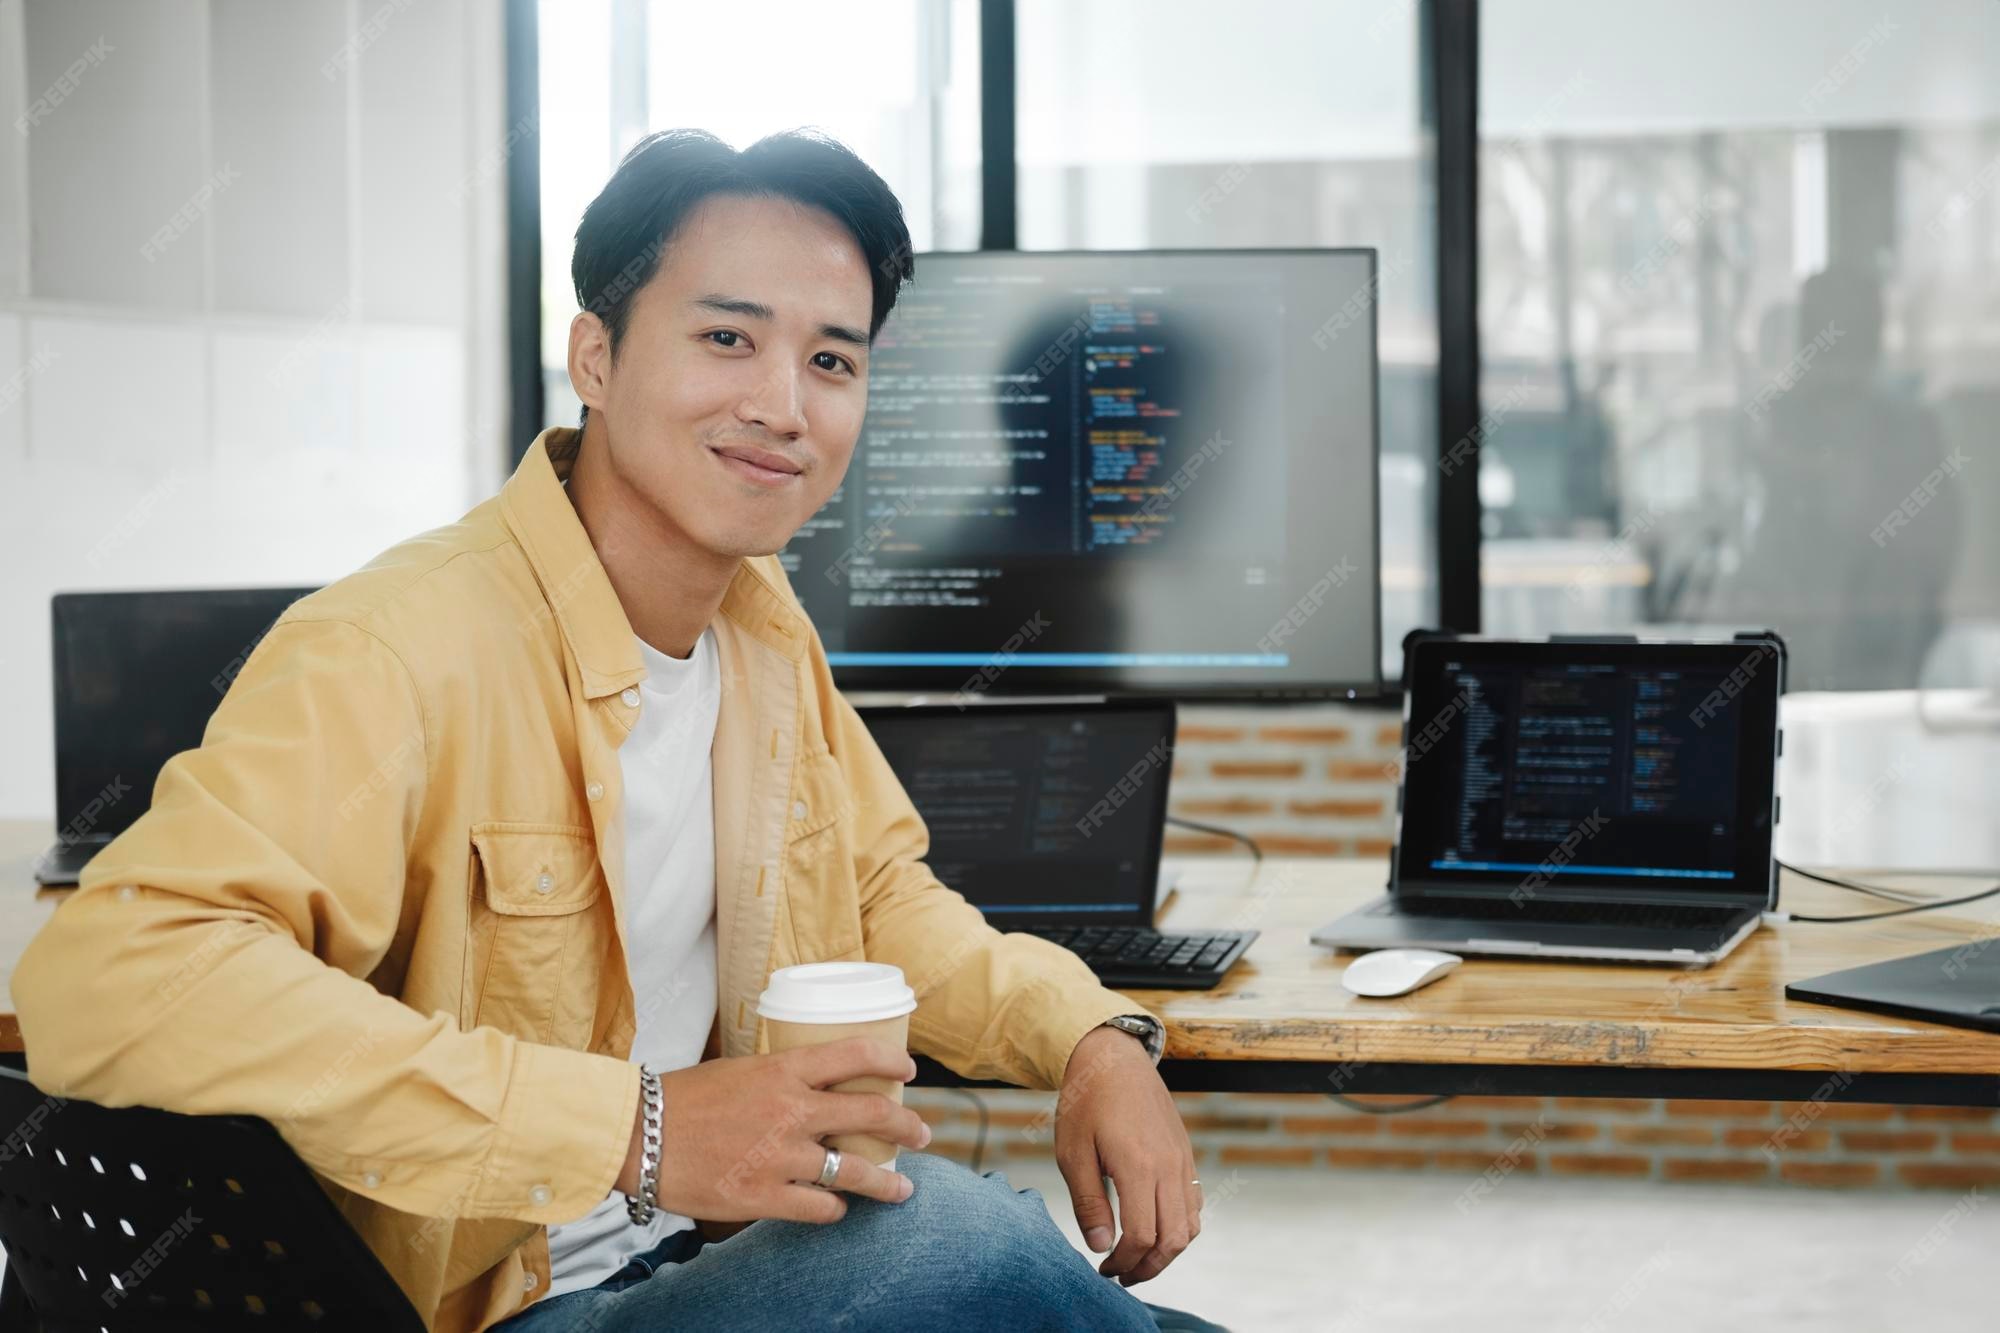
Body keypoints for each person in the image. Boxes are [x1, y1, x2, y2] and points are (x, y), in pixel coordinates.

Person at [15, 129, 1222, 1333]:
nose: (781, 406)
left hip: (697, 1269)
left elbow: (877, 901)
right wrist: (634, 1129)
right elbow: (112, 978)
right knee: (960, 1237)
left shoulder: (761, 631)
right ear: (594, 356)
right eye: (726, 338)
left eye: (830, 360)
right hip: (502, 1307)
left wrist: (1090, 1037)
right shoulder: (393, 645)